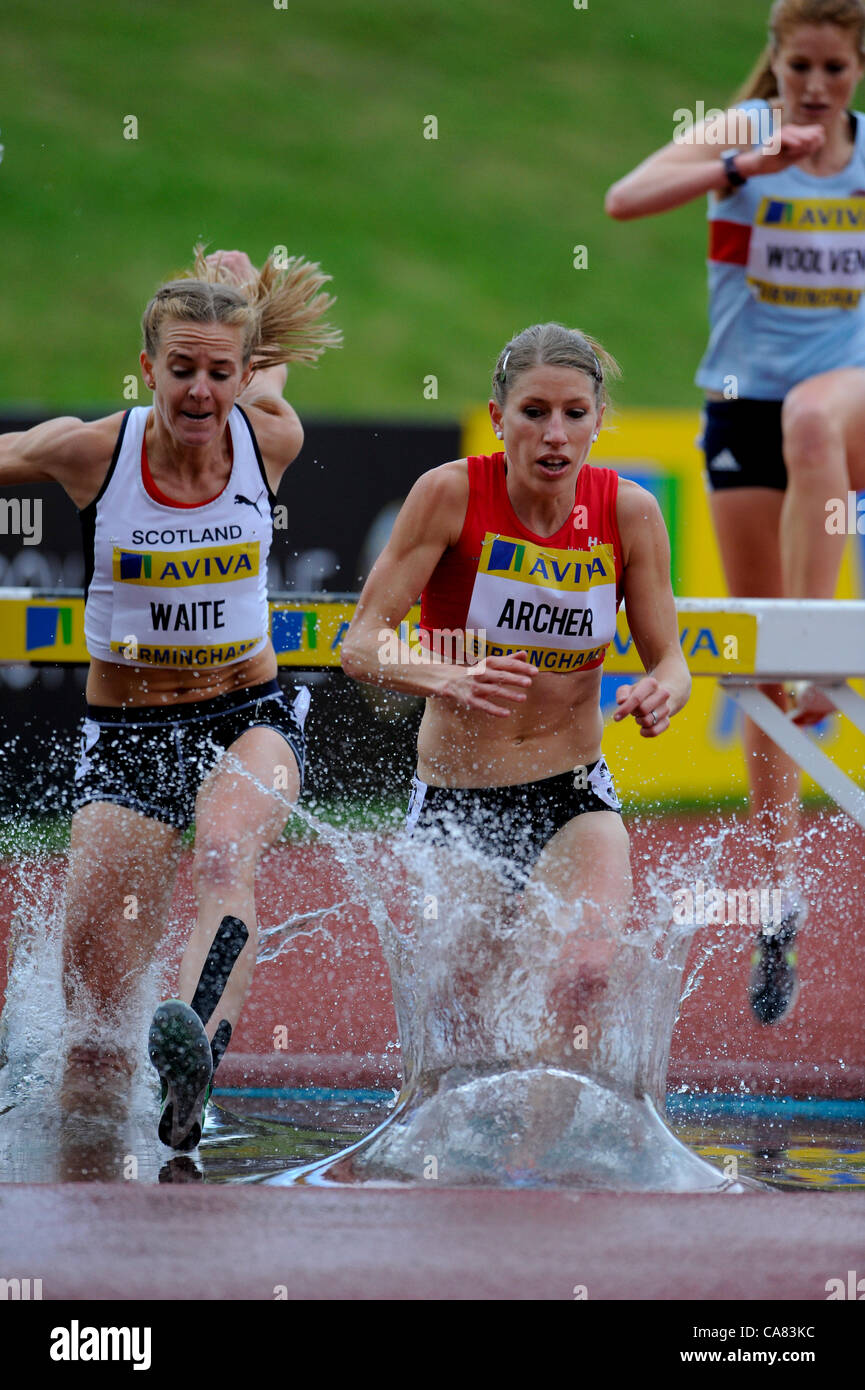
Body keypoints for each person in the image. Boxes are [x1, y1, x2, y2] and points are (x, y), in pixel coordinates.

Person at [0, 246, 341, 1149]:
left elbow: (257, 374)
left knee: (228, 853)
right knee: (93, 1041)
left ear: (244, 375)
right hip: (128, 733)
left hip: (249, 715)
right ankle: (100, 1198)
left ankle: (194, 1054)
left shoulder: (269, 437)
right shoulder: (90, 452)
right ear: (147, 366)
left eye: (218, 373)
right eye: (179, 370)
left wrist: (240, 306)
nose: (197, 393)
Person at [604, 0, 865, 1023]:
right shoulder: (742, 134)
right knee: (752, 656)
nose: (813, 85)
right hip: (737, 406)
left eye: (833, 68)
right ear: (777, 59)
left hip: (845, 401)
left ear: (856, 67)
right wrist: (736, 171)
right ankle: (776, 893)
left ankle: (820, 653)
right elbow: (624, 198)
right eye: (797, 64)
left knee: (813, 421)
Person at [341, 323, 691, 1043]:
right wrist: (450, 675)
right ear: (500, 418)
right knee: (465, 1011)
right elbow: (362, 644)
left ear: (599, 421)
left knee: (583, 978)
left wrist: (661, 689)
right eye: (533, 413)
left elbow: (671, 662)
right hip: (460, 797)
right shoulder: (447, 496)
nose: (554, 434)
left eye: (574, 413)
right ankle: (459, 1147)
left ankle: (550, 1153)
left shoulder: (629, 512)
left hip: (573, 789)